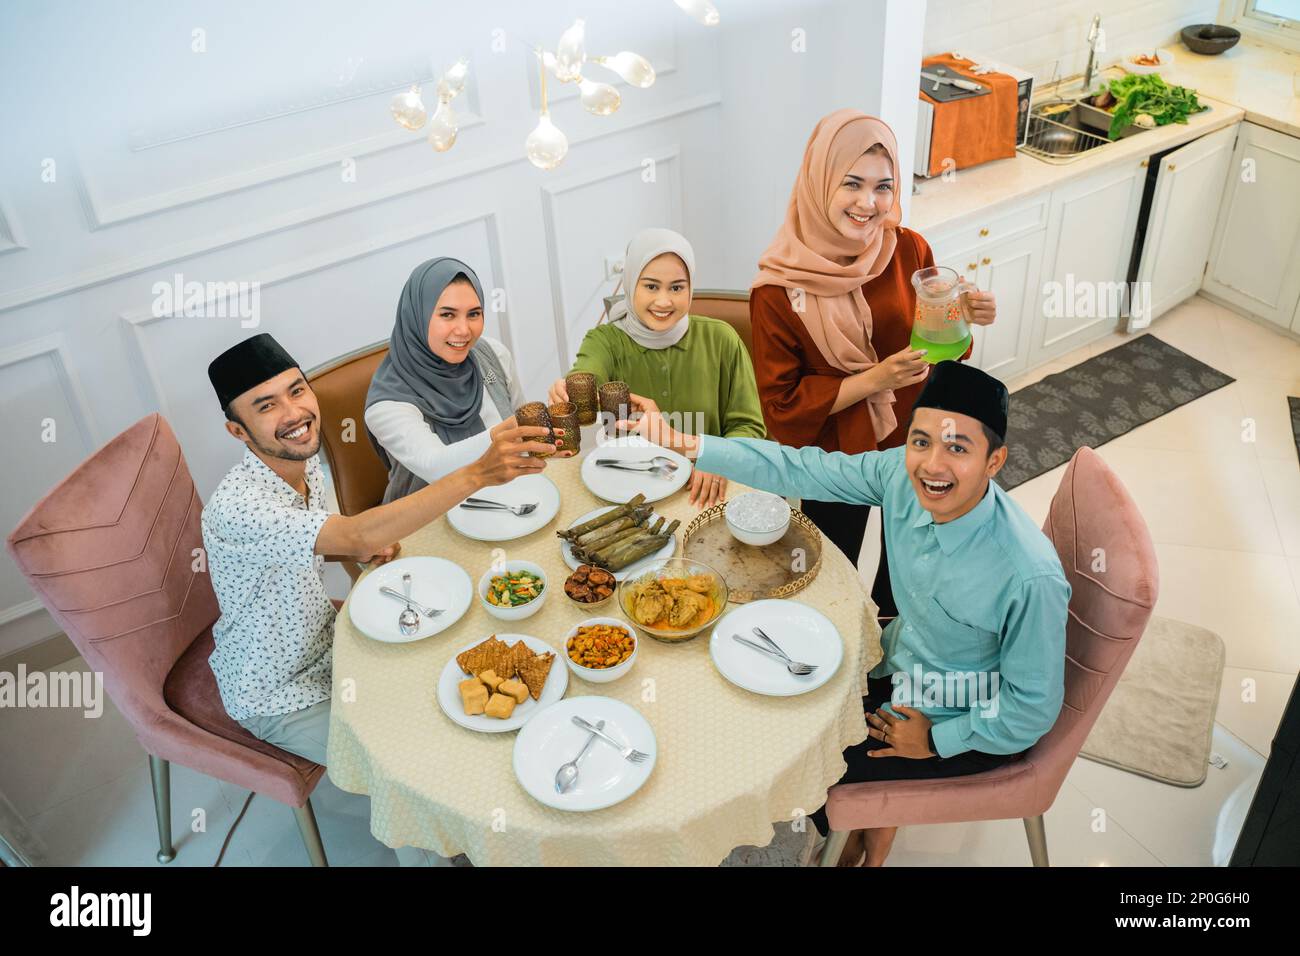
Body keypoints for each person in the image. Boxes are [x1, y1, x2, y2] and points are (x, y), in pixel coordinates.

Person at [618, 361, 1069, 866]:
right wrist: (692, 445)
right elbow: (803, 468)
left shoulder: (1028, 575)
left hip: (963, 716)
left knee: (799, 762)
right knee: (774, 706)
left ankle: (863, 833)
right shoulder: (900, 474)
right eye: (920, 441)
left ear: (995, 461)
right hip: (898, 660)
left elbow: (1032, 709)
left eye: (958, 448)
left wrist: (937, 739)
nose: (931, 465)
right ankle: (871, 825)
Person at [202, 332, 557, 765]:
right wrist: (478, 473)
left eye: (297, 391)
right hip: (277, 691)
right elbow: (355, 533)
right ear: (236, 431)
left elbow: (319, 538)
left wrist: (347, 550)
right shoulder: (240, 508)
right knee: (415, 763)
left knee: (456, 689)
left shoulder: (299, 459)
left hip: (333, 641)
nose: (294, 413)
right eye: (267, 405)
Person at [749, 109, 998, 620]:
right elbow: (781, 406)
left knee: (904, 570)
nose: (869, 203)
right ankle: (827, 658)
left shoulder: (908, 249)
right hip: (838, 454)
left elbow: (941, 350)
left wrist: (965, 318)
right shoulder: (777, 289)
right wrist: (873, 380)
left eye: (883, 187)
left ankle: (889, 671)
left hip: (913, 439)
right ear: (820, 182)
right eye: (852, 184)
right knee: (827, 567)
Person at [547, 227, 765, 508]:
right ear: (630, 283)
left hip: (704, 488)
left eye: (677, 287)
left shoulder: (721, 339)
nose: (664, 301)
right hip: (628, 493)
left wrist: (718, 460)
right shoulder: (605, 340)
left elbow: (748, 426)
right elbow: (587, 372)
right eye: (651, 286)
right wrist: (569, 388)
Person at [366, 256, 573, 505]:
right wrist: (505, 434)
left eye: (474, 314)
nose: (464, 330)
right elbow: (435, 466)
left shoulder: (493, 355)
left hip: (507, 504)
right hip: (424, 526)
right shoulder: (387, 403)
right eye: (447, 315)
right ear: (417, 316)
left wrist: (552, 434)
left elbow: (524, 436)